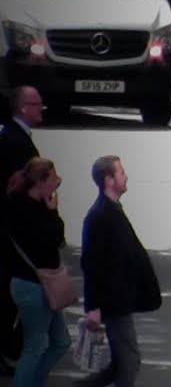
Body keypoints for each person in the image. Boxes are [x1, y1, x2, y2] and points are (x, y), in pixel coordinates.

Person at [78, 156, 162, 387]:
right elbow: (91, 264)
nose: (126, 177)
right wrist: (93, 307)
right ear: (109, 179)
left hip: (120, 299)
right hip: (113, 303)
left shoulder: (112, 210)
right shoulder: (99, 216)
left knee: (119, 364)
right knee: (129, 360)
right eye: (121, 173)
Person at [5, 157, 70, 387]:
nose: (57, 183)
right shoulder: (24, 211)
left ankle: (33, 381)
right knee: (35, 346)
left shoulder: (33, 204)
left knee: (61, 341)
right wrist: (53, 212)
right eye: (53, 179)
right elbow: (56, 241)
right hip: (31, 286)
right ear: (40, 182)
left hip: (43, 285)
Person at [0, 86, 43, 373]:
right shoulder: (16, 143)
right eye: (36, 103)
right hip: (14, 234)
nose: (42, 107)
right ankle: (10, 351)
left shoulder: (14, 137)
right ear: (22, 108)